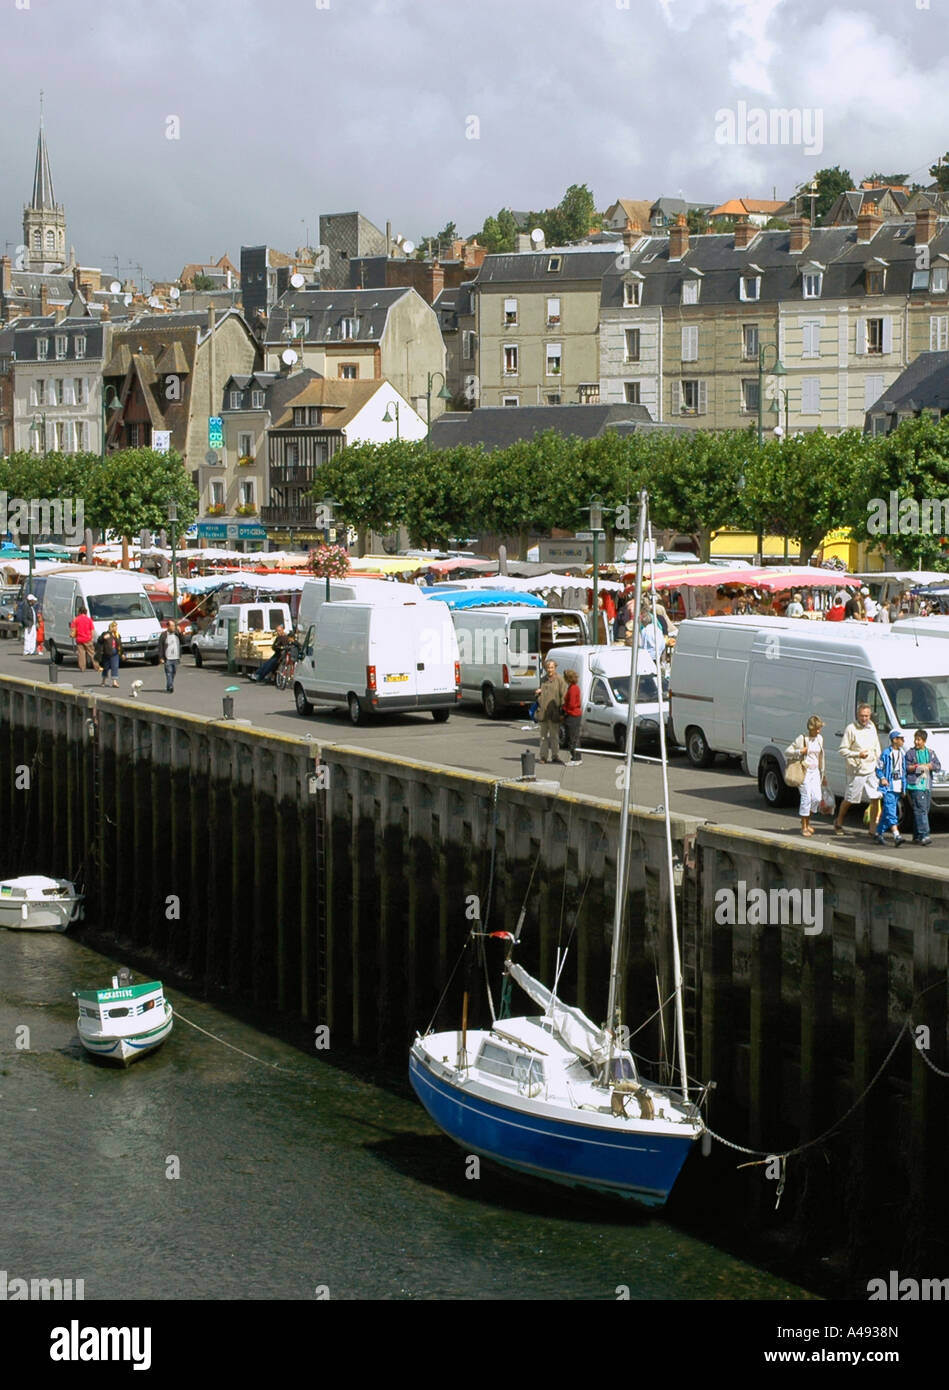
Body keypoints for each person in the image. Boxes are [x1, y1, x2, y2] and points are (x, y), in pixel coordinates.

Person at [834, 703, 882, 836]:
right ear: (857, 715)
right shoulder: (851, 729)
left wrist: (880, 762)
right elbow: (842, 750)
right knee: (850, 799)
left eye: (867, 716)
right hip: (857, 770)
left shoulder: (872, 726)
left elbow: (876, 746)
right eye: (862, 716)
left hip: (871, 768)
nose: (864, 718)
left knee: (875, 797)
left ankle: (873, 829)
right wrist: (857, 754)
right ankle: (838, 822)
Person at [786, 715, 828, 836]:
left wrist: (823, 773)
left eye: (819, 728)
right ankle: (804, 826)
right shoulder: (802, 738)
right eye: (816, 728)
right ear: (810, 728)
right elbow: (787, 751)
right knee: (806, 798)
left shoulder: (820, 739)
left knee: (816, 798)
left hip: (815, 772)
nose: (818, 731)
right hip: (804, 770)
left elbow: (821, 757)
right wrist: (799, 751)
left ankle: (807, 821)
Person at [905, 729, 940, 846]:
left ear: (924, 741)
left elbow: (937, 766)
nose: (916, 742)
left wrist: (930, 766)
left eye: (919, 740)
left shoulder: (930, 752)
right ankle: (924, 834)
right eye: (915, 739)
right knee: (921, 809)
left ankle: (917, 835)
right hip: (915, 785)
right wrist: (917, 767)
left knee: (922, 810)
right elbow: (906, 767)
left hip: (926, 785)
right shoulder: (910, 753)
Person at [874, 731, 906, 847]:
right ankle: (897, 835)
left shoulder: (901, 754)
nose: (903, 741)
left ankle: (878, 833)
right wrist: (882, 778)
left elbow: (903, 771)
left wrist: (904, 787)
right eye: (900, 738)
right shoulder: (886, 753)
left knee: (887, 812)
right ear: (894, 740)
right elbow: (878, 768)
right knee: (891, 812)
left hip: (898, 786)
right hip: (888, 788)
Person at [535, 658, 566, 764]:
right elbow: (538, 695)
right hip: (543, 713)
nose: (549, 669)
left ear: (555, 668)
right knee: (543, 737)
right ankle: (543, 757)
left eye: (551, 667)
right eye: (548, 667)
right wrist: (538, 693)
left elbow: (564, 696)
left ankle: (555, 756)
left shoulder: (560, 680)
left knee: (555, 736)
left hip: (554, 713)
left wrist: (562, 712)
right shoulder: (542, 680)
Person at [69, 606, 100, 673]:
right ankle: (97, 667)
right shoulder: (89, 619)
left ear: (79, 612)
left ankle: (82, 668)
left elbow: (72, 629)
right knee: (92, 653)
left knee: (81, 654)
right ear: (86, 612)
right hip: (88, 638)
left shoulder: (76, 619)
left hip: (79, 639)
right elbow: (92, 630)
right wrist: (91, 638)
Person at [562, 668, 583, 764]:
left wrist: (564, 710)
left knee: (572, 737)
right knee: (574, 736)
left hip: (572, 715)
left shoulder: (573, 688)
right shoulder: (573, 687)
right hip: (574, 714)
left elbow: (571, 704)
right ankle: (575, 757)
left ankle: (576, 758)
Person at [95, 621, 122, 687]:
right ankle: (103, 681)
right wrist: (103, 638)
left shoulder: (117, 635)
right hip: (107, 653)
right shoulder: (106, 633)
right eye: (115, 627)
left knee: (115, 667)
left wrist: (122, 653)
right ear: (111, 627)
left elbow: (120, 644)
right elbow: (99, 640)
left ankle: (114, 682)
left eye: (116, 626)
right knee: (106, 667)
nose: (116, 628)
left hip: (115, 653)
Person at [158, 618, 182, 693]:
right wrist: (161, 657)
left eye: (174, 626)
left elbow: (183, 641)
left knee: (173, 672)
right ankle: (170, 686)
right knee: (169, 672)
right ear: (168, 627)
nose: (174, 628)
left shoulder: (177, 634)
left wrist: (180, 633)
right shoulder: (164, 635)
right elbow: (160, 647)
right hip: (167, 657)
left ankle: (169, 684)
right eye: (172, 626)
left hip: (176, 657)